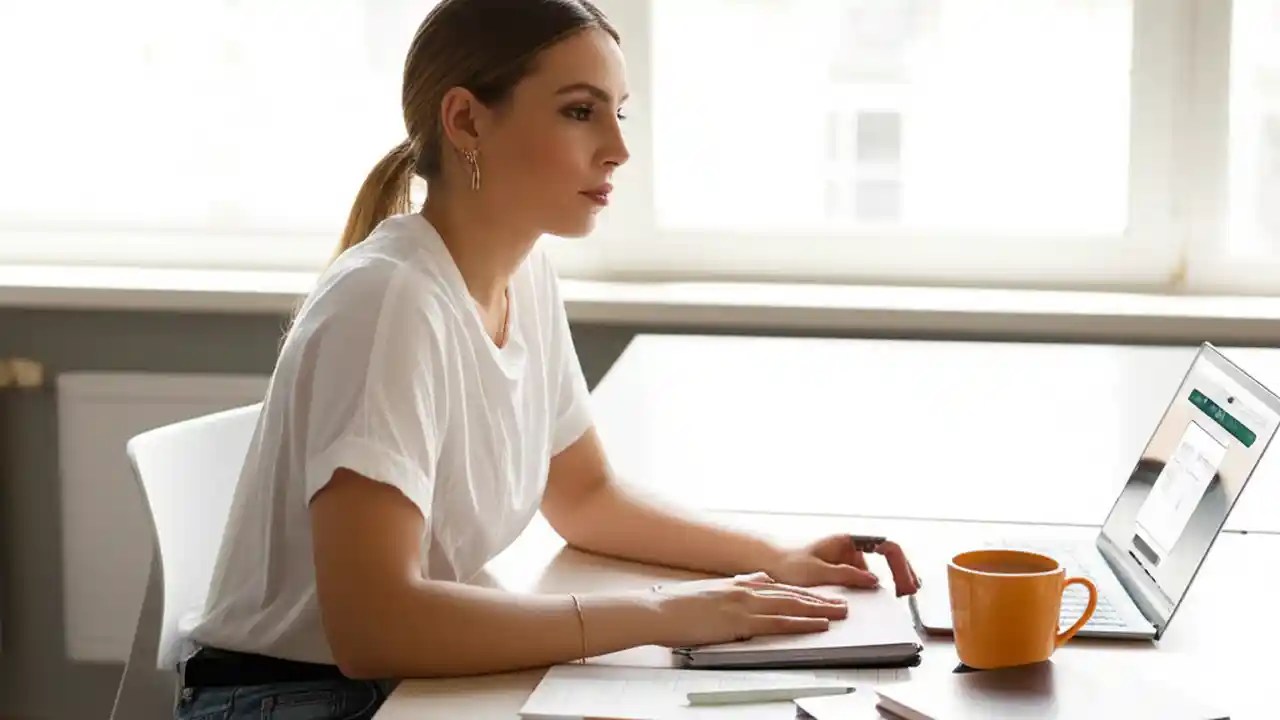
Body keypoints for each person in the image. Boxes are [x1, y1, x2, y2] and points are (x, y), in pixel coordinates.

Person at [175, 1, 920, 717]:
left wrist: (771, 556)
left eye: (617, 112)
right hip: (301, 697)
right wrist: (661, 614)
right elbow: (375, 627)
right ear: (466, 120)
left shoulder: (522, 274)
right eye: (579, 111)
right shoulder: (390, 302)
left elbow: (586, 496)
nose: (619, 149)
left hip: (405, 678)